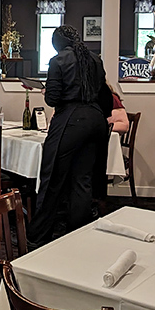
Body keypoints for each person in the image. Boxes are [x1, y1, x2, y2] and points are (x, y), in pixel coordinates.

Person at [27, 25, 110, 248]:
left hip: (72, 120)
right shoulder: (95, 59)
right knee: (82, 180)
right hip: (96, 119)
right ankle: (78, 235)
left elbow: (53, 99)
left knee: (52, 178)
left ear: (57, 44)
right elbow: (103, 93)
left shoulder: (58, 60)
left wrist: (46, 91)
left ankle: (38, 235)